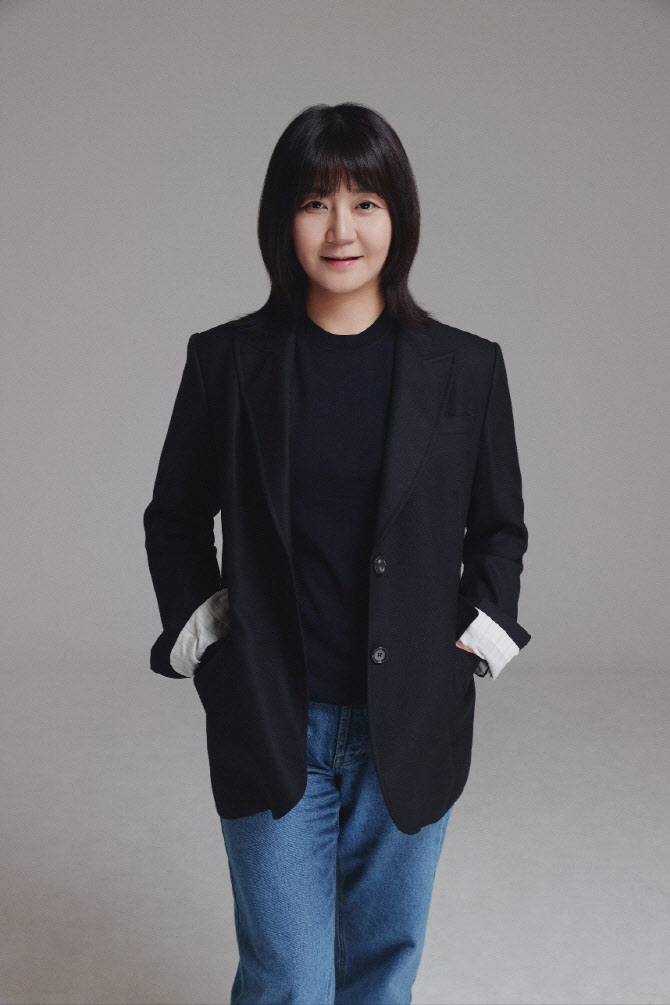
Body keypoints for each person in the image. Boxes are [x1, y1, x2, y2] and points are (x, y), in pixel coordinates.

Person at [143, 102, 531, 1004]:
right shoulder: (226, 362)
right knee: (288, 978)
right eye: (316, 202)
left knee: (382, 970)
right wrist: (217, 655)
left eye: (366, 202)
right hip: (273, 715)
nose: (341, 229)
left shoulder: (466, 369)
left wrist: (471, 644)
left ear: (400, 217)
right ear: (283, 219)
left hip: (413, 720)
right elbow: (175, 518)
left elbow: (499, 526)